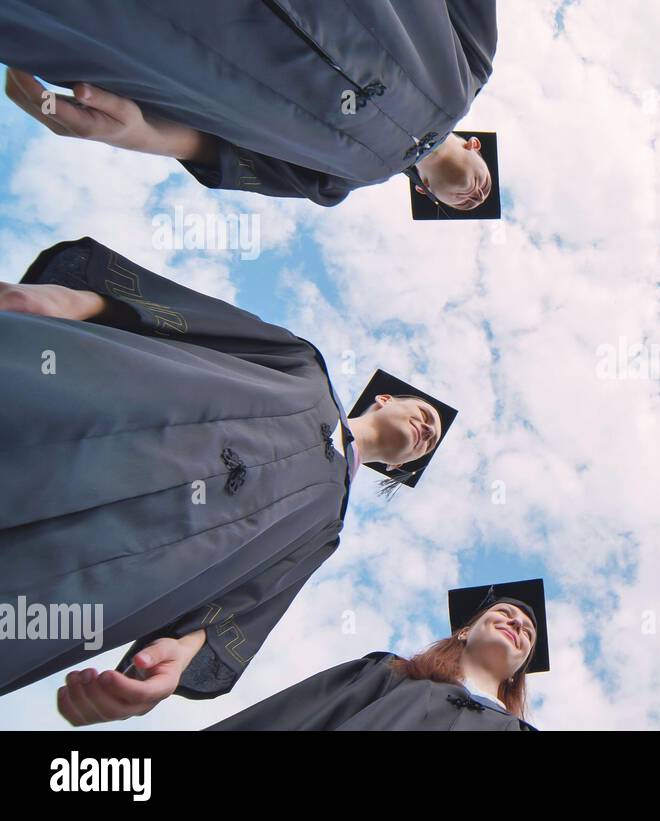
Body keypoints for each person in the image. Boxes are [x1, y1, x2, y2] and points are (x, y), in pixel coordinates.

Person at [0, 237, 456, 724]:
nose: (427, 429)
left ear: (399, 467)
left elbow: (244, 607)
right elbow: (196, 322)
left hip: (97, 567)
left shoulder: (325, 529)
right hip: (82, 417)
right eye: (425, 413)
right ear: (384, 399)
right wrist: (70, 300)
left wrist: (180, 656)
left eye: (428, 441)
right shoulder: (304, 365)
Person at [0, 0, 496, 207]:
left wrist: (136, 133)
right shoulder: (469, 66)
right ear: (475, 145)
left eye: (463, 206)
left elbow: (217, 152)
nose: (473, 196)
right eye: (486, 185)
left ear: (427, 195)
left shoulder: (339, 182)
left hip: (162, 31)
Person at [205, 579, 549, 731]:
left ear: (518, 671)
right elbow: (283, 722)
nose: (517, 623)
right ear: (463, 631)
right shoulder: (384, 676)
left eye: (528, 632)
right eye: (504, 614)